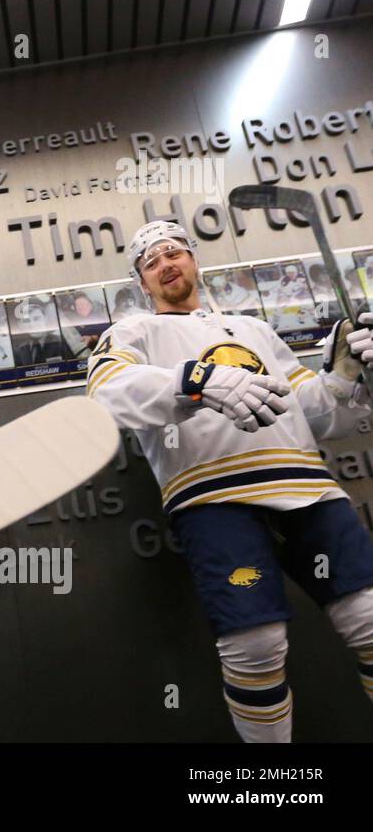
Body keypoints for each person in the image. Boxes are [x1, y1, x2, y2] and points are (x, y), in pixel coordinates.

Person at [86, 220, 373, 741]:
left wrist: (343, 377)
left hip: (308, 488)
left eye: (174, 252)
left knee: (372, 620)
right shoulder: (135, 330)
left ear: (195, 260)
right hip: (216, 500)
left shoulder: (256, 329)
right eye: (151, 262)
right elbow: (107, 392)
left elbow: (314, 410)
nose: (166, 263)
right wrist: (198, 379)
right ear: (142, 283)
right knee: (256, 645)